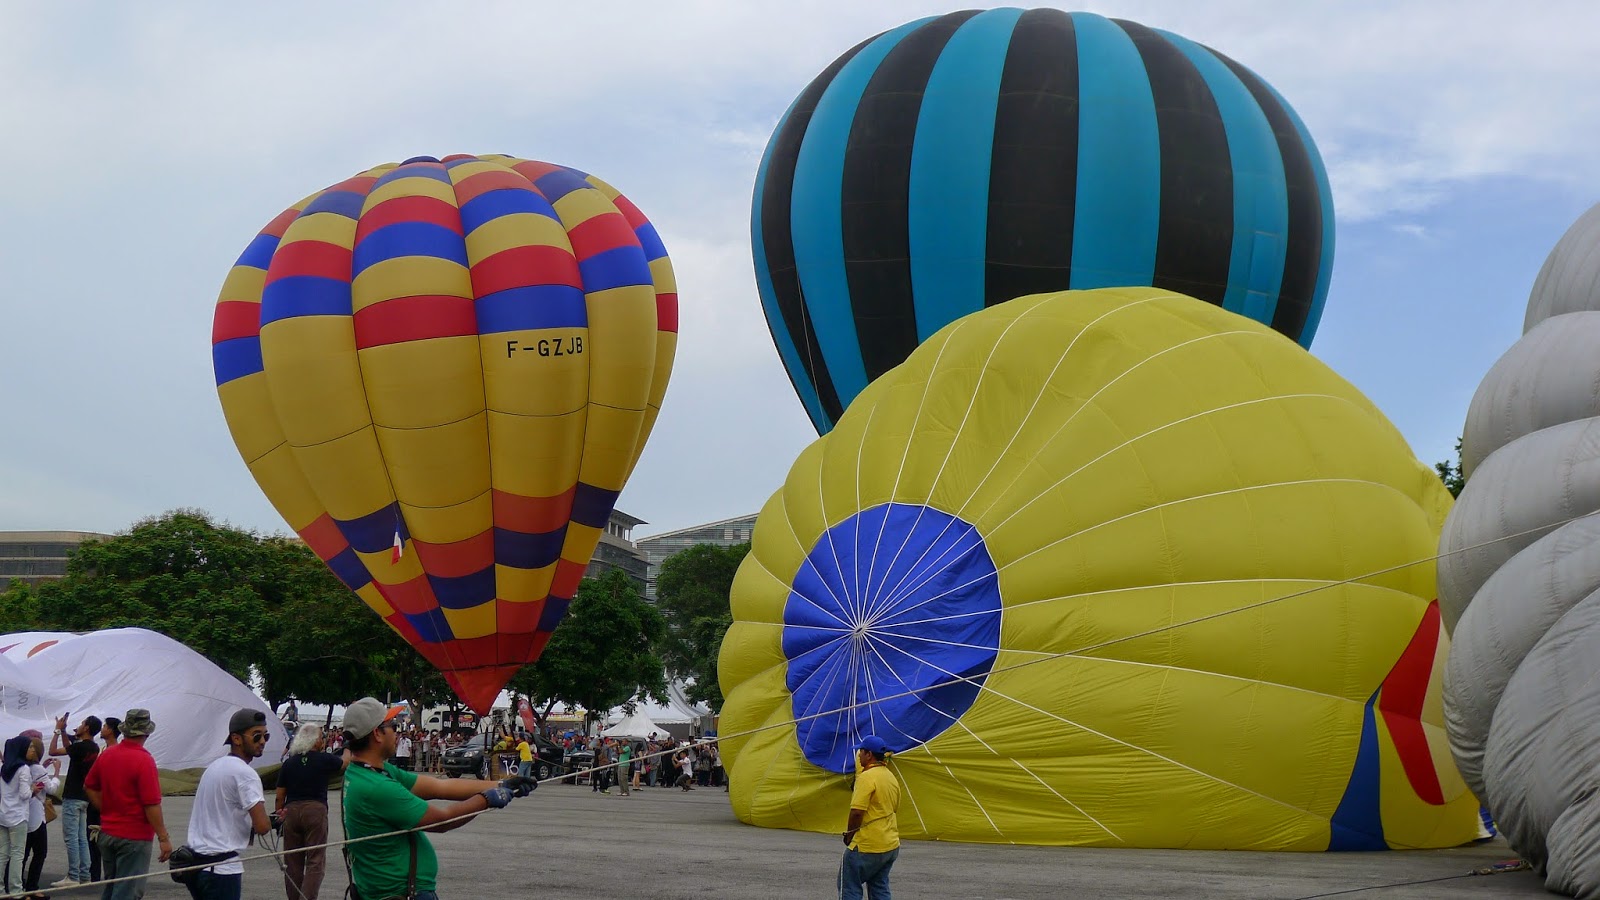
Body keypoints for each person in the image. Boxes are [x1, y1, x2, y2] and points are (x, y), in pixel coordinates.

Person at [341, 698, 536, 900]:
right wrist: (486, 800)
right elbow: (442, 820)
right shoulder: (377, 786)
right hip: (399, 894)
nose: (396, 731)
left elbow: (439, 786)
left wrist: (502, 785)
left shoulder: (367, 772)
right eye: (393, 725)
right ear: (377, 734)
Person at [182, 709, 272, 899]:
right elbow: (263, 826)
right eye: (257, 736)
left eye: (266, 736)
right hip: (221, 870)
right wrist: (275, 822)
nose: (263, 741)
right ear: (236, 739)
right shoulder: (246, 774)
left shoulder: (215, 767)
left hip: (197, 866)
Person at [84, 709, 172, 900]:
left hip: (107, 833)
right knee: (127, 893)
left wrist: (105, 808)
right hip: (134, 837)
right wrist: (163, 837)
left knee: (111, 888)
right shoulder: (144, 760)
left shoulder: (107, 755)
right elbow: (151, 804)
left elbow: (89, 786)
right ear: (147, 733)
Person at [273, 723, 345, 900]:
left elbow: (279, 795)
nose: (323, 740)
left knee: (293, 862)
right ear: (315, 740)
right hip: (315, 810)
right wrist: (349, 748)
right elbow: (344, 764)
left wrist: (279, 815)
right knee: (315, 861)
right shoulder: (323, 759)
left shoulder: (289, 763)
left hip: (291, 811)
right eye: (321, 737)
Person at [839, 735, 901, 900]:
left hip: (867, 845)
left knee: (849, 888)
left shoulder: (866, 777)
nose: (858, 755)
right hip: (890, 845)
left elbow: (857, 812)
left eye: (861, 751)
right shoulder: (890, 777)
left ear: (869, 754)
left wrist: (849, 835)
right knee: (879, 888)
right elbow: (894, 808)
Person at [49, 713, 101, 889]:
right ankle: (84, 875)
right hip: (84, 798)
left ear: (86, 728)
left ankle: (73, 875)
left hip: (72, 797)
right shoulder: (93, 747)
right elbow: (70, 745)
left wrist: (57, 731)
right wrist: (64, 730)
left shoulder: (79, 748)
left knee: (71, 838)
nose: (78, 726)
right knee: (81, 838)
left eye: (81, 723)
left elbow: (53, 751)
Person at [22, 734, 59, 900]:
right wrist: (56, 772)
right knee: (40, 853)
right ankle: (32, 886)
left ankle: (19, 885)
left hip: (23, 815)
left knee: (21, 854)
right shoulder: (38, 770)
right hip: (37, 817)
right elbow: (51, 789)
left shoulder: (21, 767)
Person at [1, 736, 38, 897]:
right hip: (18, 817)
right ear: (21, 749)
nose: (33, 750)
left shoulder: (4, 768)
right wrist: (33, 789)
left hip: (3, 814)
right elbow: (24, 794)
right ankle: (16, 890)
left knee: (2, 853)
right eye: (29, 747)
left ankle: (1, 890)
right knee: (17, 854)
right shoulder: (23, 769)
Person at [88, 716, 123, 884]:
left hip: (108, 800)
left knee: (105, 837)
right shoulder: (103, 749)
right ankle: (95, 873)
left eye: (104, 727)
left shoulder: (115, 750)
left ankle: (109, 875)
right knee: (94, 837)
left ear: (110, 730)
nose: (102, 729)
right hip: (99, 798)